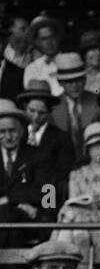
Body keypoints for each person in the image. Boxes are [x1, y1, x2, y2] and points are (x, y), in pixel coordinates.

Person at [53, 121, 100, 254]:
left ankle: (59, 253)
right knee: (74, 221)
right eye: (96, 145)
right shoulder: (76, 174)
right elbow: (74, 201)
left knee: (72, 224)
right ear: (87, 149)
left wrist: (91, 205)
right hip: (79, 221)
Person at [19, 79, 75, 204]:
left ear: (50, 112)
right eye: (31, 111)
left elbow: (60, 177)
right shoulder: (16, 136)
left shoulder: (62, 139)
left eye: (42, 113)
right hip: (16, 201)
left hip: (47, 201)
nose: (35, 117)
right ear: (24, 108)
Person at [0, 98, 47, 242]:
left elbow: (48, 191)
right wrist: (20, 201)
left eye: (12, 131)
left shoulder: (38, 155)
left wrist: (9, 199)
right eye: (2, 131)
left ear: (21, 131)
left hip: (29, 221)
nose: (8, 137)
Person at [49, 53, 97, 156]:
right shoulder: (52, 106)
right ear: (60, 82)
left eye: (78, 80)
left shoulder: (96, 101)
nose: (75, 86)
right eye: (69, 82)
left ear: (84, 79)